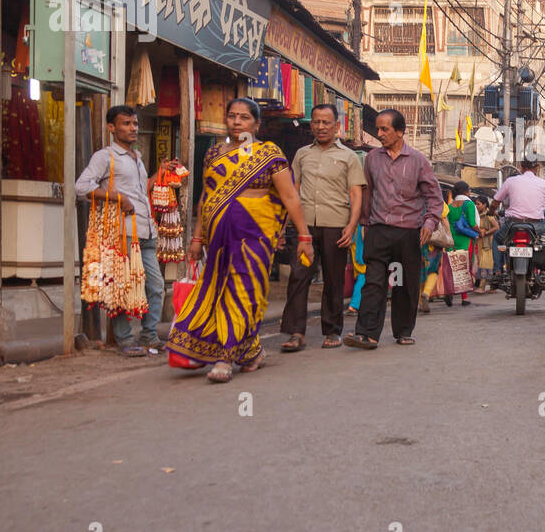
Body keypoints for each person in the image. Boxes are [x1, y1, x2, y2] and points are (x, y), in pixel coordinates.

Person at [167, 98, 314, 382]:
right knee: (221, 294)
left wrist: (304, 235)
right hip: (218, 237)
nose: (237, 122)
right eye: (232, 116)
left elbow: (290, 196)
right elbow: (205, 198)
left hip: (254, 236)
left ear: (256, 124)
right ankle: (250, 351)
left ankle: (225, 357)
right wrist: (197, 238)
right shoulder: (213, 154)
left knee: (244, 293)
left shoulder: (269, 153)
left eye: (244, 117)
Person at [75, 105, 171, 356]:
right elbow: (81, 187)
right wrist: (116, 198)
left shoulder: (136, 157)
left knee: (155, 285)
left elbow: (140, 192)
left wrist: (160, 174)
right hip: (122, 232)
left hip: (145, 230)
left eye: (135, 124)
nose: (133, 128)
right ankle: (124, 339)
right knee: (123, 286)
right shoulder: (105, 156)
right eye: (126, 124)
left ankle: (149, 335)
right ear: (111, 128)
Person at [344, 109, 443, 349]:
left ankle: (403, 330)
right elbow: (367, 193)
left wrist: (429, 223)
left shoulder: (419, 161)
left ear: (400, 131)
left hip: (409, 233)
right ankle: (366, 333)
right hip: (378, 231)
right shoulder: (372, 159)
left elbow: (434, 197)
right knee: (374, 282)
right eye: (378, 129)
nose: (379, 134)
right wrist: (364, 222)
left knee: (403, 285)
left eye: (384, 129)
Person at [279, 103, 366, 352]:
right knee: (298, 277)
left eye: (326, 122)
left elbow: (356, 194)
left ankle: (332, 330)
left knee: (333, 280)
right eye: (316, 122)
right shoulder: (302, 154)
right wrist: (285, 226)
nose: (320, 126)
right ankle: (296, 332)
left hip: (335, 226)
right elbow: (292, 192)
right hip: (304, 228)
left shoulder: (349, 156)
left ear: (337, 126)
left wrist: (351, 226)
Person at [492, 159, 545, 275]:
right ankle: (544, 272)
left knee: (497, 239)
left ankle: (498, 271)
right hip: (537, 226)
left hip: (512, 224)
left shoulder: (510, 181)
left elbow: (495, 202)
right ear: (537, 168)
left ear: (521, 167)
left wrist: (490, 211)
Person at [447, 181, 480, 306]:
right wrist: (479, 231)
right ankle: (464, 297)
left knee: (453, 266)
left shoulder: (450, 206)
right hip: (466, 239)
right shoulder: (469, 204)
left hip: (452, 240)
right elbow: (472, 223)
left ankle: (448, 292)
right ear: (466, 191)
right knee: (465, 266)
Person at [474, 196, 497, 292]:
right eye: (476, 203)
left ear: (484, 205)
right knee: (482, 264)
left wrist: (486, 233)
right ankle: (492, 287)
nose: (476, 205)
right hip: (479, 242)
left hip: (488, 244)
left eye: (478, 204)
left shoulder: (488, 215)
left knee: (485, 264)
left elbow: (496, 227)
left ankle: (482, 287)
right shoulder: (477, 215)